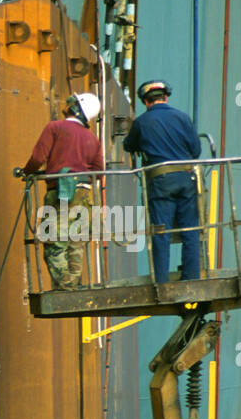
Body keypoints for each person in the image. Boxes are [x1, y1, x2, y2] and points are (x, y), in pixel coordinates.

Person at [17, 92, 104, 290]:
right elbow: (99, 172)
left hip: (63, 194)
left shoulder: (55, 128)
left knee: (53, 242)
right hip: (85, 195)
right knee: (75, 242)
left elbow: (38, 158)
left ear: (76, 107)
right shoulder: (92, 138)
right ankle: (74, 286)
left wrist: (26, 172)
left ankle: (67, 287)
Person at [123, 80, 203, 284]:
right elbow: (196, 150)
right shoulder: (183, 117)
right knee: (190, 231)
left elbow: (129, 145)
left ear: (146, 102)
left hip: (160, 181)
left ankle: (161, 283)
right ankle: (191, 279)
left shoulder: (142, 122)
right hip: (186, 178)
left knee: (161, 233)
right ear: (165, 97)